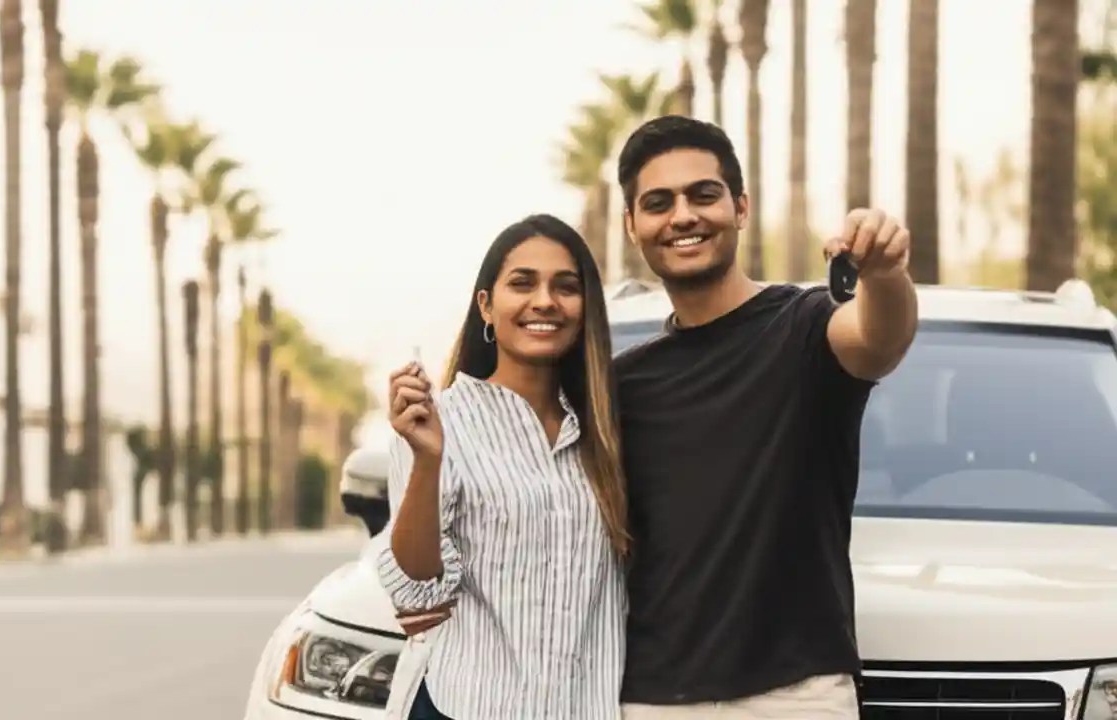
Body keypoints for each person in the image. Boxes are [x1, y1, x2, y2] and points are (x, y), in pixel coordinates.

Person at [613, 115, 917, 719]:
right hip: (651, 701)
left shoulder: (806, 327)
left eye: (704, 194)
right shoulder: (621, 383)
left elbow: (880, 338)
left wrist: (884, 274)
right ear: (632, 226)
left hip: (795, 697)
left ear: (741, 207)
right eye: (658, 203)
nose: (683, 216)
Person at [376, 214, 630, 720]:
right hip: (467, 706)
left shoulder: (610, 433)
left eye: (566, 286)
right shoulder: (436, 423)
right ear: (486, 307)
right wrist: (428, 460)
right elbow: (417, 587)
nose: (544, 301)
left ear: (585, 311)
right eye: (522, 283)